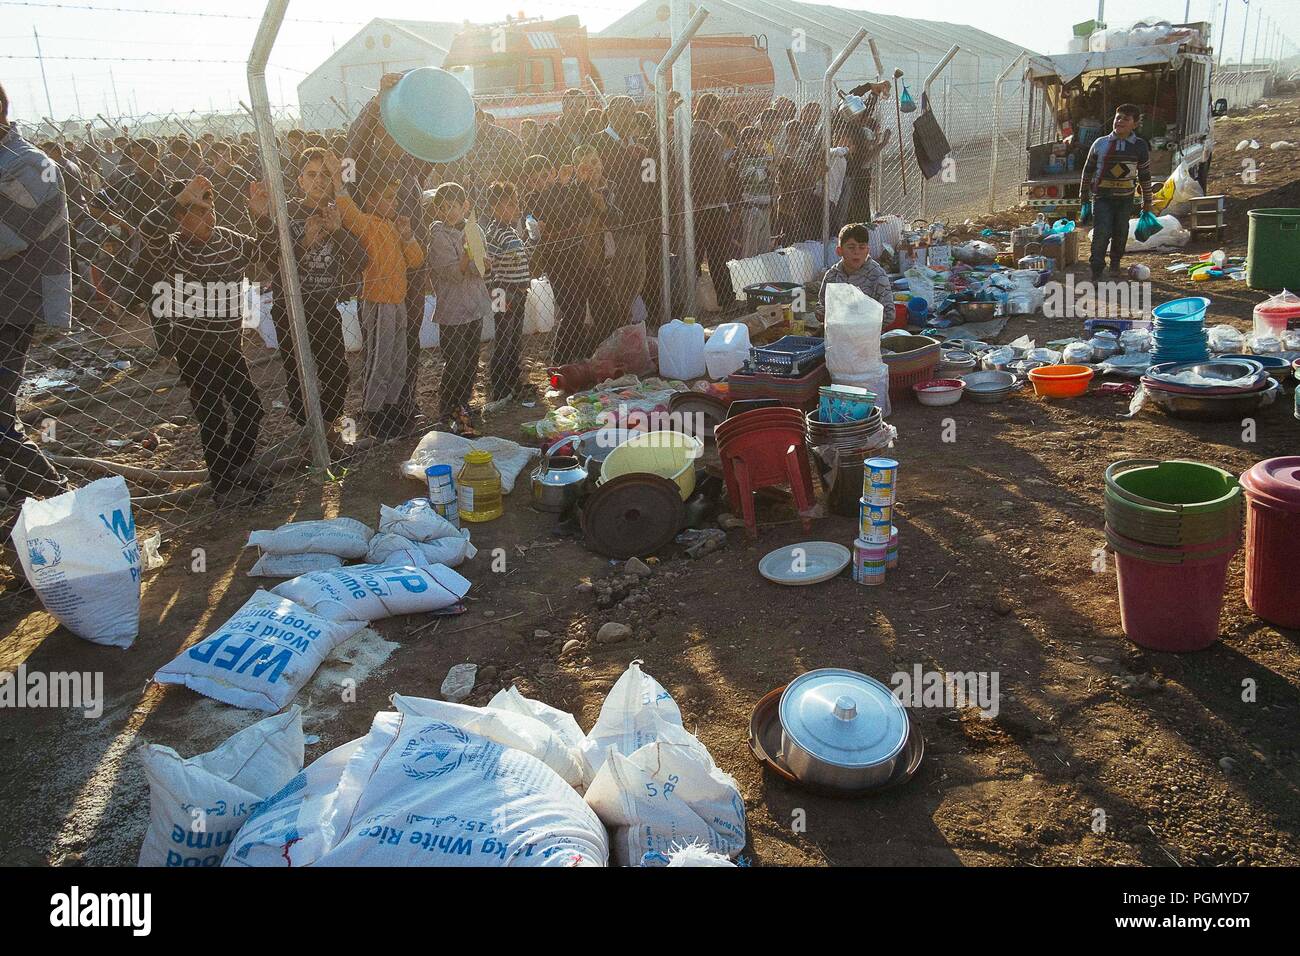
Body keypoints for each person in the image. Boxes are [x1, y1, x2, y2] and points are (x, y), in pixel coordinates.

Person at [136, 174, 277, 504]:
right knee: (213, 417)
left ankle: (234, 469)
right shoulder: (171, 249)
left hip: (229, 346)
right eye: (197, 211)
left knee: (250, 410)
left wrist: (261, 216)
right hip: (195, 349)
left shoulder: (227, 239)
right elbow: (148, 229)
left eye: (209, 208)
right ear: (179, 217)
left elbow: (269, 253)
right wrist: (180, 198)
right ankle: (224, 489)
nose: (208, 217)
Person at [346, 72, 435, 429]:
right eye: (384, 129)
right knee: (379, 345)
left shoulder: (408, 164)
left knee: (407, 338)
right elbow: (352, 144)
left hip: (410, 263)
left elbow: (433, 147)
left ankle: (402, 402)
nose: (392, 137)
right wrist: (377, 101)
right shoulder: (363, 169)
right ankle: (374, 411)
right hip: (379, 271)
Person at [0, 81, 72, 509]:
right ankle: (30, 511)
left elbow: (18, 233)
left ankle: (58, 502)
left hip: (12, 303)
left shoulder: (30, 165)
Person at [329, 153, 424, 440]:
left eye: (395, 197)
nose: (394, 203)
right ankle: (373, 413)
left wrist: (407, 235)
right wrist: (337, 179)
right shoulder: (368, 223)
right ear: (371, 201)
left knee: (398, 358)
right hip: (378, 300)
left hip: (398, 301)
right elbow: (347, 210)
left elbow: (416, 260)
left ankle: (392, 409)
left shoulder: (395, 228)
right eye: (388, 197)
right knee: (379, 359)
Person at [277, 147, 364, 437]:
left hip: (324, 306)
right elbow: (270, 262)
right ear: (300, 180)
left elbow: (362, 258)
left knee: (337, 372)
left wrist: (338, 231)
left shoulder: (335, 210)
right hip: (290, 309)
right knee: (299, 376)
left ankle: (325, 430)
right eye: (311, 175)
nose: (317, 181)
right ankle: (310, 435)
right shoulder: (287, 211)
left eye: (324, 175)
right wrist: (303, 244)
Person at [426, 182, 491, 427]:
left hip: (474, 305)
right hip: (453, 310)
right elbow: (452, 273)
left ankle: (463, 404)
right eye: (443, 208)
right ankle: (448, 408)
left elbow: (480, 268)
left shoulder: (475, 231)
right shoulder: (439, 237)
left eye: (453, 206)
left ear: (465, 206)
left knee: (472, 358)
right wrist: (467, 257)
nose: (448, 212)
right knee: (456, 361)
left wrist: (480, 262)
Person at [1080, 102, 1153, 281]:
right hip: (1102, 197)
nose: (1119, 121)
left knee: (1121, 232)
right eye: (1117, 117)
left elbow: (1144, 175)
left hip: (1126, 199)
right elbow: (1087, 170)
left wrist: (1147, 201)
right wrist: (1083, 195)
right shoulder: (1100, 143)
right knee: (1101, 233)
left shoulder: (1140, 146)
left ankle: (1115, 263)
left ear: (1134, 124)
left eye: (1125, 119)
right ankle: (1096, 270)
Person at [482, 180, 531, 402]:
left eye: (515, 203)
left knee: (514, 338)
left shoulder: (511, 232)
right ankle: (499, 384)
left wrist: (533, 239)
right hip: (503, 291)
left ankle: (512, 380)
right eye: (509, 204)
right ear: (495, 208)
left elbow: (522, 257)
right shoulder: (495, 233)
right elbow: (487, 264)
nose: (515, 208)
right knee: (504, 337)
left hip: (519, 291)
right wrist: (491, 288)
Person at [817, 221, 893, 318]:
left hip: (867, 331)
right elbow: (821, 304)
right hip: (837, 330)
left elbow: (889, 314)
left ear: (867, 251)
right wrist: (822, 314)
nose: (857, 252)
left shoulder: (877, 276)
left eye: (862, 247)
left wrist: (858, 321)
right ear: (839, 251)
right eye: (851, 247)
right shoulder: (832, 276)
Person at [736, 126, 773, 258]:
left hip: (766, 206)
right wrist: (766, 170)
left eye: (760, 138)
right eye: (754, 139)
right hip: (751, 208)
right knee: (750, 249)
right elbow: (752, 176)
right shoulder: (743, 158)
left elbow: (770, 173)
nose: (758, 141)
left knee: (764, 248)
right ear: (746, 141)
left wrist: (763, 170)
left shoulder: (765, 157)